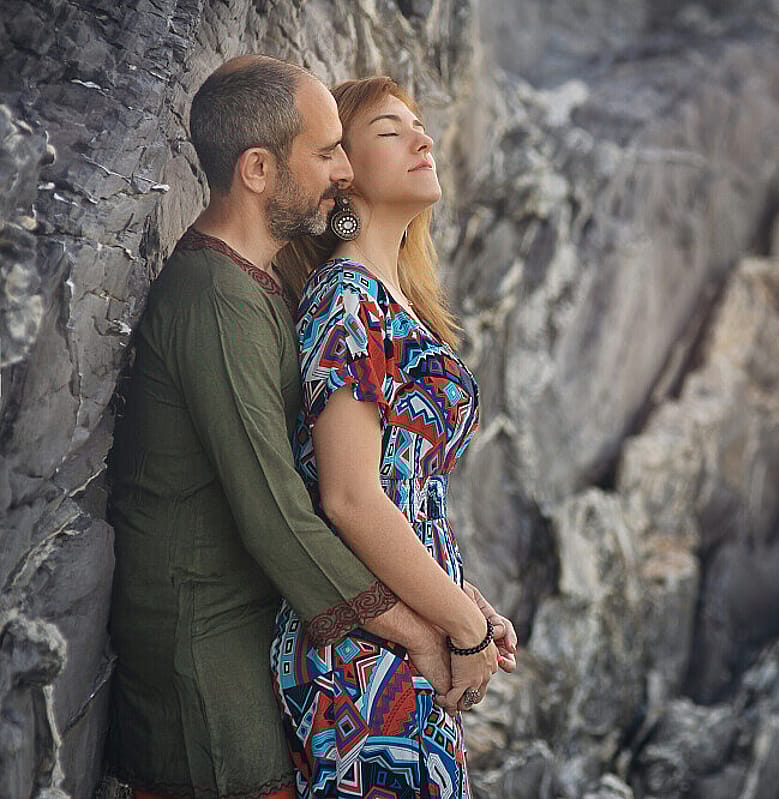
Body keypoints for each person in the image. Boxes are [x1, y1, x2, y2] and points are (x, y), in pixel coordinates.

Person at [106, 56, 486, 798]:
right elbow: (287, 511)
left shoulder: (271, 276)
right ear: (256, 170)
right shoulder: (219, 299)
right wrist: (426, 633)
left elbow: (343, 234)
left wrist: (463, 609)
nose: (341, 168)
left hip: (274, 625)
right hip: (204, 656)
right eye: (327, 151)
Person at [269, 75, 517, 799]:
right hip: (363, 655)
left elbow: (412, 495)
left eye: (419, 124)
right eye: (390, 130)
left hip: (410, 633)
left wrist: (470, 604)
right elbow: (348, 498)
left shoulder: (393, 299)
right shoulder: (349, 298)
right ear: (342, 177)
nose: (423, 138)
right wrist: (463, 627)